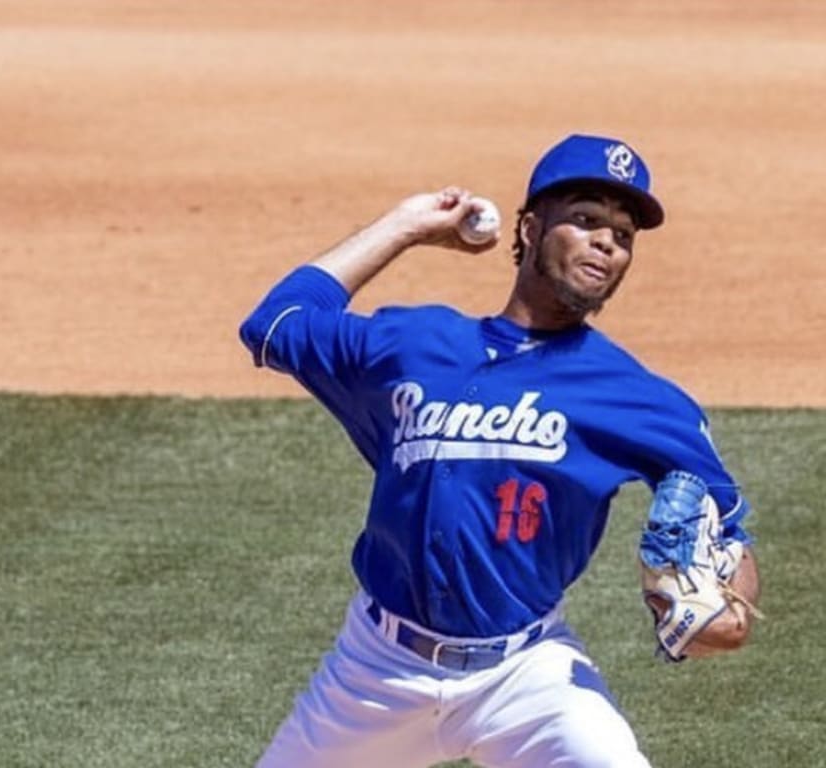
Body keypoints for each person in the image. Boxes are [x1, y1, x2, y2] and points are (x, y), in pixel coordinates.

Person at [239, 133, 761, 767]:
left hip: (527, 677)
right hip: (375, 674)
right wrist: (406, 226)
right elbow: (275, 322)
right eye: (587, 219)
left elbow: (729, 532)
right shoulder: (413, 343)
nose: (607, 242)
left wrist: (725, 617)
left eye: (623, 235)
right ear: (532, 227)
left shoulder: (637, 397)